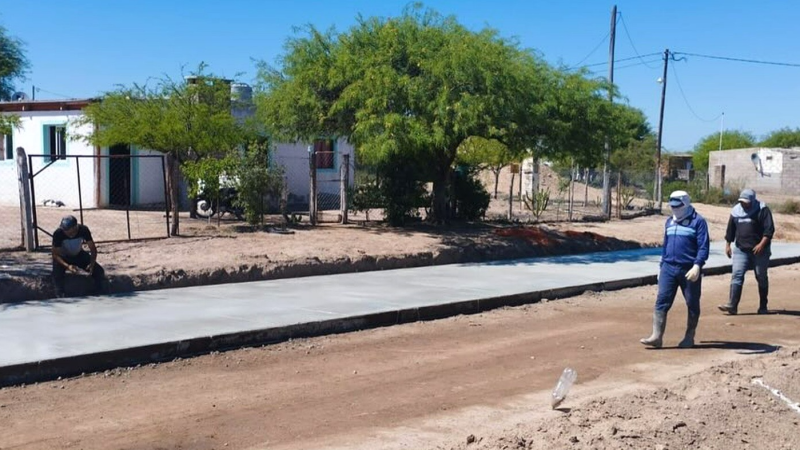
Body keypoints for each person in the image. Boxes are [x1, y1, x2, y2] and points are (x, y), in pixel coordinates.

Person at [641, 190, 710, 349]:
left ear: (686, 204)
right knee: (661, 300)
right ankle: (656, 336)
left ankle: (689, 336)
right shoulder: (669, 222)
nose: (674, 209)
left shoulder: (698, 222)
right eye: (672, 206)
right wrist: (661, 266)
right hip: (668, 267)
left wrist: (697, 265)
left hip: (688, 268)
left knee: (692, 302)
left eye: (678, 206)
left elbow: (703, 247)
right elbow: (665, 245)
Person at [718, 189, 775, 315]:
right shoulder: (736, 211)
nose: (744, 204)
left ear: (753, 200)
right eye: (742, 202)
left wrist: (761, 245)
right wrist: (728, 245)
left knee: (761, 276)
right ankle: (732, 305)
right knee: (737, 275)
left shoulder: (762, 210)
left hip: (760, 251)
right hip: (741, 249)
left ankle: (763, 306)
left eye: (746, 202)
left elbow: (769, 230)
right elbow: (730, 229)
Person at [52, 215, 105, 297]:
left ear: (75, 227)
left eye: (68, 230)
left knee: (99, 271)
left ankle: (98, 292)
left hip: (79, 255)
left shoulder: (83, 230)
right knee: (57, 274)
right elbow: (55, 255)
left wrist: (92, 263)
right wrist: (67, 266)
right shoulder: (58, 233)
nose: (66, 232)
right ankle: (60, 294)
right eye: (65, 230)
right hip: (64, 257)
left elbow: (92, 249)